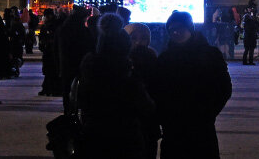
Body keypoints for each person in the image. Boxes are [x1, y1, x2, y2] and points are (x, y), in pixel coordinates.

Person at [77, 14, 156, 159]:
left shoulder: (90, 68)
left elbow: (81, 99)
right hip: (126, 139)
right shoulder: (128, 76)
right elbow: (146, 107)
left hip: (94, 136)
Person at [155, 10, 232, 159]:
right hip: (173, 127)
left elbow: (224, 87)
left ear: (190, 29)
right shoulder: (165, 57)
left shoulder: (209, 54)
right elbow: (157, 89)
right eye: (172, 30)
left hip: (201, 125)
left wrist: (208, 112)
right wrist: (164, 116)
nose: (176, 33)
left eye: (180, 29)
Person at [126, 23, 161, 159]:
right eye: (133, 38)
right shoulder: (120, 61)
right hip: (127, 123)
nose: (139, 42)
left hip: (148, 122)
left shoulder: (153, 58)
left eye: (143, 38)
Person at [57, 5, 95, 113]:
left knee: (67, 89)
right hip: (80, 65)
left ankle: (67, 110)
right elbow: (90, 48)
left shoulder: (63, 30)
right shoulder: (84, 31)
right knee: (79, 90)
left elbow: (56, 49)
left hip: (66, 65)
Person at [38, 8, 60, 96]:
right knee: (50, 71)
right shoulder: (51, 24)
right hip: (49, 51)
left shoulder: (52, 25)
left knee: (50, 71)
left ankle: (50, 89)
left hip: (51, 51)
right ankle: (48, 88)